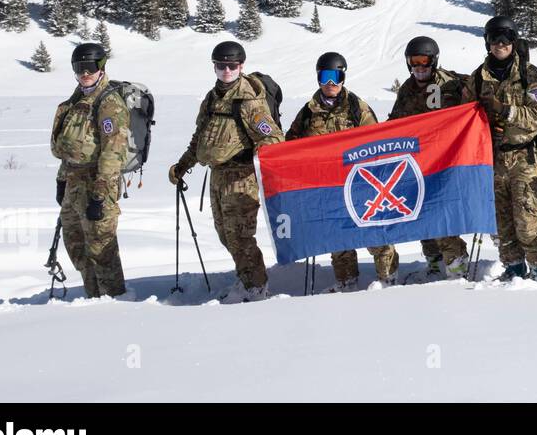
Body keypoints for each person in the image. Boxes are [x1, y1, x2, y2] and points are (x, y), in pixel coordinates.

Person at [168, 40, 282, 303]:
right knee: (225, 234)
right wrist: (183, 165)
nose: (226, 71)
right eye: (221, 65)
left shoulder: (249, 101)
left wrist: (257, 160)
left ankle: (257, 287)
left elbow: (272, 138)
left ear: (241, 66)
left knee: (240, 236)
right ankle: (246, 279)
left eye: (232, 65)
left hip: (241, 178)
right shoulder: (212, 98)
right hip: (218, 176)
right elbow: (200, 138)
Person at [285, 52, 392, 291]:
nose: (330, 84)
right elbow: (290, 145)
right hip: (327, 186)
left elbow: (377, 142)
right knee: (337, 235)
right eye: (325, 77)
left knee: (374, 233)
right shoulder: (307, 113)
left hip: (359, 183)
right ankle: (346, 282)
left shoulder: (357, 108)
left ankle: (388, 277)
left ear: (343, 77)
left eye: (335, 77)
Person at [465, 15, 537, 281]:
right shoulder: (478, 79)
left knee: (526, 220)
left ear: (514, 42)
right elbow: (465, 117)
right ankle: (512, 267)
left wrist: (506, 111)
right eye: (494, 39)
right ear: (487, 43)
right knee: (500, 222)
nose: (500, 45)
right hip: (491, 159)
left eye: (505, 39)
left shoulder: (529, 75)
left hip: (524, 157)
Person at [49, 42, 130, 298]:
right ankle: (93, 300)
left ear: (101, 68)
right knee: (77, 246)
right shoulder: (74, 103)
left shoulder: (109, 105)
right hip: (73, 183)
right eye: (79, 68)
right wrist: (62, 182)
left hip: (97, 184)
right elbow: (68, 149)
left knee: (101, 249)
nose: (85, 74)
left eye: (90, 68)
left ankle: (115, 300)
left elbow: (113, 152)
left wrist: (99, 195)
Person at [387, 36, 470, 279]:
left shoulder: (450, 84)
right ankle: (433, 261)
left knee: (440, 212)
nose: (419, 68)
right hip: (418, 162)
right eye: (414, 62)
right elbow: (396, 122)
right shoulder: (407, 88)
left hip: (446, 162)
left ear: (434, 61)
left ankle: (456, 261)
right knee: (420, 212)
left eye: (424, 62)